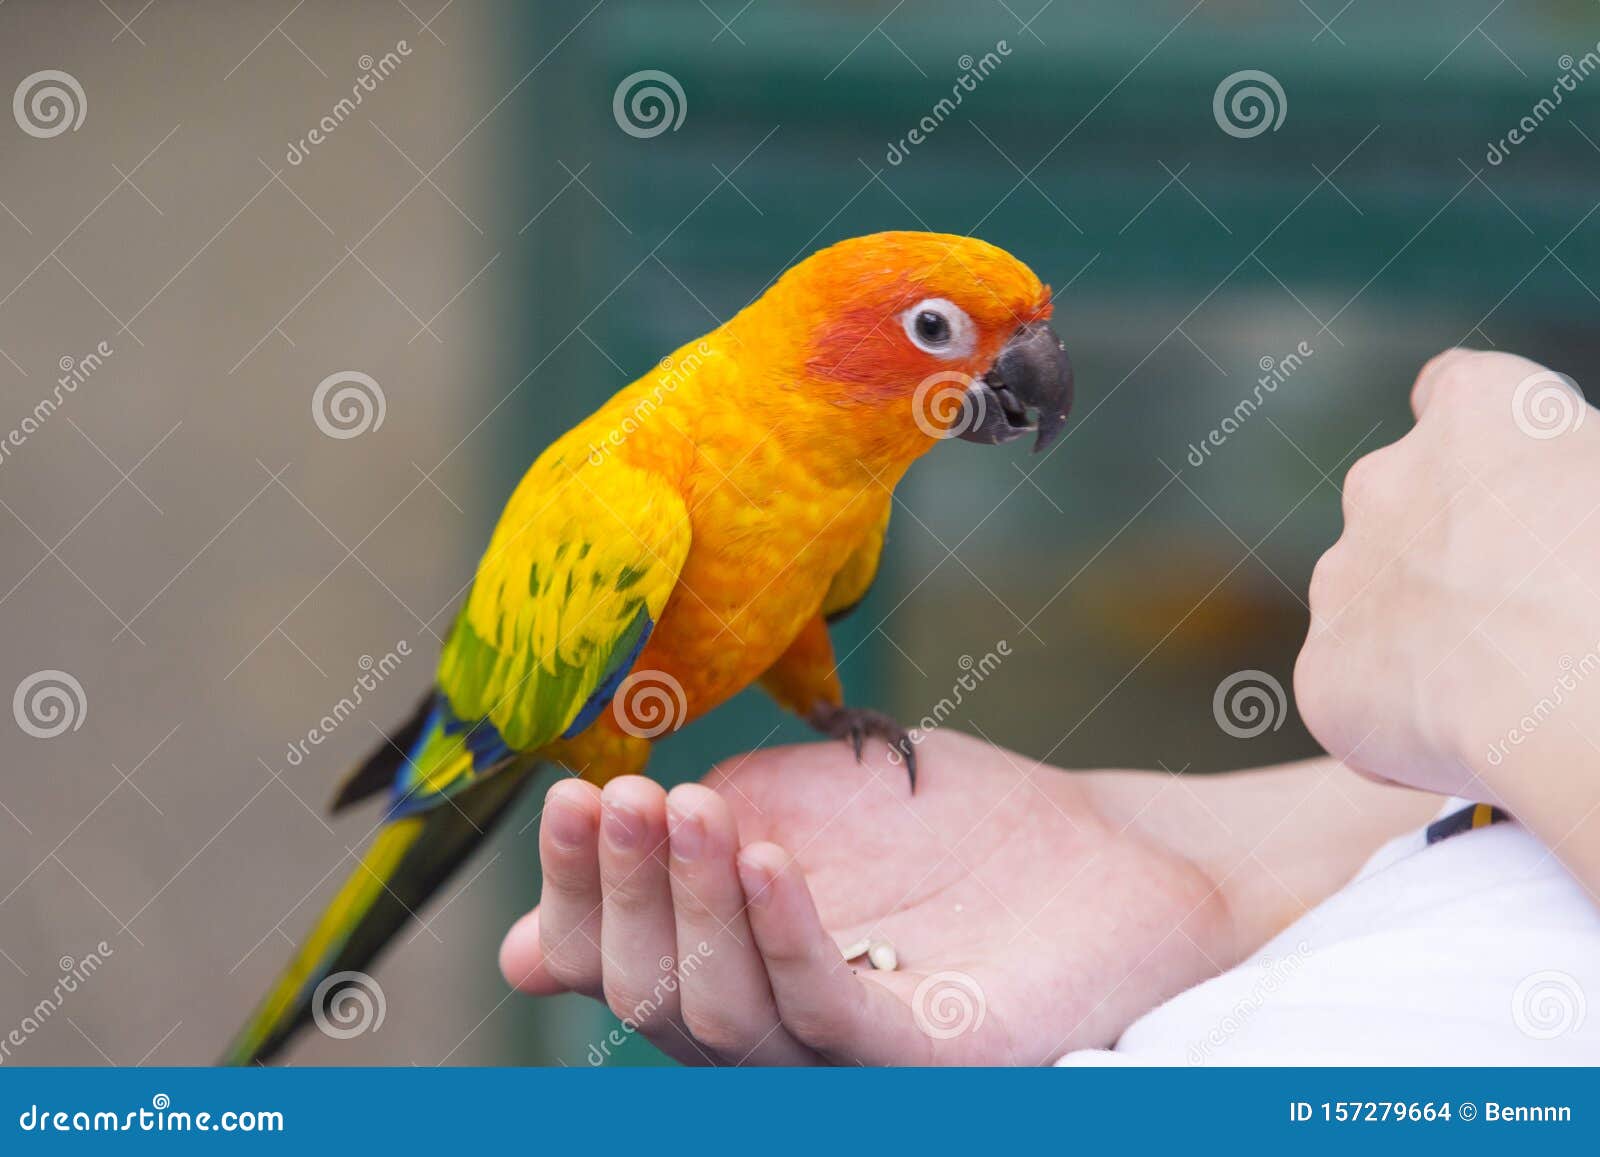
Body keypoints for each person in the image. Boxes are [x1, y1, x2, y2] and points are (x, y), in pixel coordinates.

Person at [497, 350, 1600, 1064]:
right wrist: (1203, 865)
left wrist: (1528, 644)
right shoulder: (635, 497)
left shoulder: (841, 511)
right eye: (936, 331)